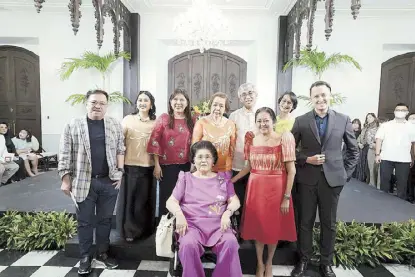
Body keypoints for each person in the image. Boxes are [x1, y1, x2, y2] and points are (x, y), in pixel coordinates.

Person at [291, 81, 359, 277]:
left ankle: (325, 263)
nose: (320, 100)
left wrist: (345, 174)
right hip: (307, 179)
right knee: (305, 222)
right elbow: (290, 152)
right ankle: (303, 260)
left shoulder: (343, 120)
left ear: (330, 96)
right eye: (316, 96)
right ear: (311, 99)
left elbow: (353, 151)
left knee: (329, 223)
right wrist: (306, 159)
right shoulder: (301, 121)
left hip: (333, 180)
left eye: (323, 95)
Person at [58, 89, 125, 275]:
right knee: (85, 222)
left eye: (102, 103)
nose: (97, 106)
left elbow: (121, 148)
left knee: (105, 221)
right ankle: (85, 256)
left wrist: (119, 172)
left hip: (108, 182)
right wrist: (65, 179)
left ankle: (102, 253)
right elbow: (64, 154)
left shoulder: (113, 125)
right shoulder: (73, 125)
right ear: (86, 104)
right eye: (94, 102)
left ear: (106, 106)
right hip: (82, 182)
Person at [232, 107, 296, 277]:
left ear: (273, 121)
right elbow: (249, 167)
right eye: (259, 120)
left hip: (277, 189)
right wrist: (233, 179)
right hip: (256, 190)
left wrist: (286, 197)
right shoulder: (251, 139)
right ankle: (260, 263)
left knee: (273, 229)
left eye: (266, 120)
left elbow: (292, 171)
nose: (262, 124)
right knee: (258, 227)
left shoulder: (284, 138)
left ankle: (269, 263)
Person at [166, 140, 242, 277]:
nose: (203, 160)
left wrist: (227, 213)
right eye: (199, 157)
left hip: (219, 226)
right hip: (191, 226)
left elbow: (235, 201)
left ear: (213, 161)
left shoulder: (223, 179)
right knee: (187, 244)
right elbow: (170, 201)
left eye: (207, 157)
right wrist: (179, 214)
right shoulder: (185, 178)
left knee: (230, 242)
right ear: (193, 160)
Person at [116, 91, 157, 242]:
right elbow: (119, 143)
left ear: (151, 104)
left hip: (149, 167)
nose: (142, 103)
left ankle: (145, 231)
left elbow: (158, 146)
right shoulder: (128, 120)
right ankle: (129, 231)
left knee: (144, 201)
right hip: (130, 166)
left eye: (146, 100)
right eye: (140, 100)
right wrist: (119, 167)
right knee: (130, 200)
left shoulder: (156, 122)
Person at [147, 89, 194, 219]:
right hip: (166, 167)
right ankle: (166, 232)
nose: (178, 102)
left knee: (184, 198)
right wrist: (157, 165)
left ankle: (181, 231)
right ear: (170, 102)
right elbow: (154, 141)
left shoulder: (193, 120)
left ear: (187, 103)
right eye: (175, 99)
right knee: (167, 198)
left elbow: (196, 143)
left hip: (186, 166)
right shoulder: (164, 118)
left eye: (182, 100)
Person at [229, 83, 257, 224]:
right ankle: (239, 231)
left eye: (251, 93)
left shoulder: (262, 113)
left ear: (256, 95)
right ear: (240, 98)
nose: (248, 96)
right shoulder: (233, 116)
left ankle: (253, 231)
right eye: (244, 94)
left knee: (254, 201)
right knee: (238, 200)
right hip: (237, 165)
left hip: (258, 168)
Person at [375, 103, 415, 200]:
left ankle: (400, 206)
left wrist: (413, 157)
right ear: (394, 111)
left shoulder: (411, 126)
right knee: (384, 182)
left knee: (402, 184)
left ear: (407, 112)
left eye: (403, 110)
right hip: (386, 157)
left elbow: (413, 143)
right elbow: (379, 139)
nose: (400, 112)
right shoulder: (386, 125)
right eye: (398, 110)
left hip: (404, 159)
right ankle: (381, 203)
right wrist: (377, 154)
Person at [192, 92, 236, 174]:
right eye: (215, 105)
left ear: (225, 109)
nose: (217, 108)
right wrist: (194, 166)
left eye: (221, 106)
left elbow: (232, 148)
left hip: (225, 169)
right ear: (211, 105)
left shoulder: (231, 124)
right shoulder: (201, 122)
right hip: (205, 169)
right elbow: (194, 147)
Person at [357, 113, 379, 186]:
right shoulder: (365, 127)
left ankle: (373, 184)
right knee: (366, 167)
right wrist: (359, 143)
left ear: (374, 118)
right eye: (367, 117)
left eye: (370, 117)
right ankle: (366, 181)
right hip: (363, 148)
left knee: (372, 168)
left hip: (372, 148)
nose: (368, 119)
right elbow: (360, 136)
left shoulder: (378, 127)